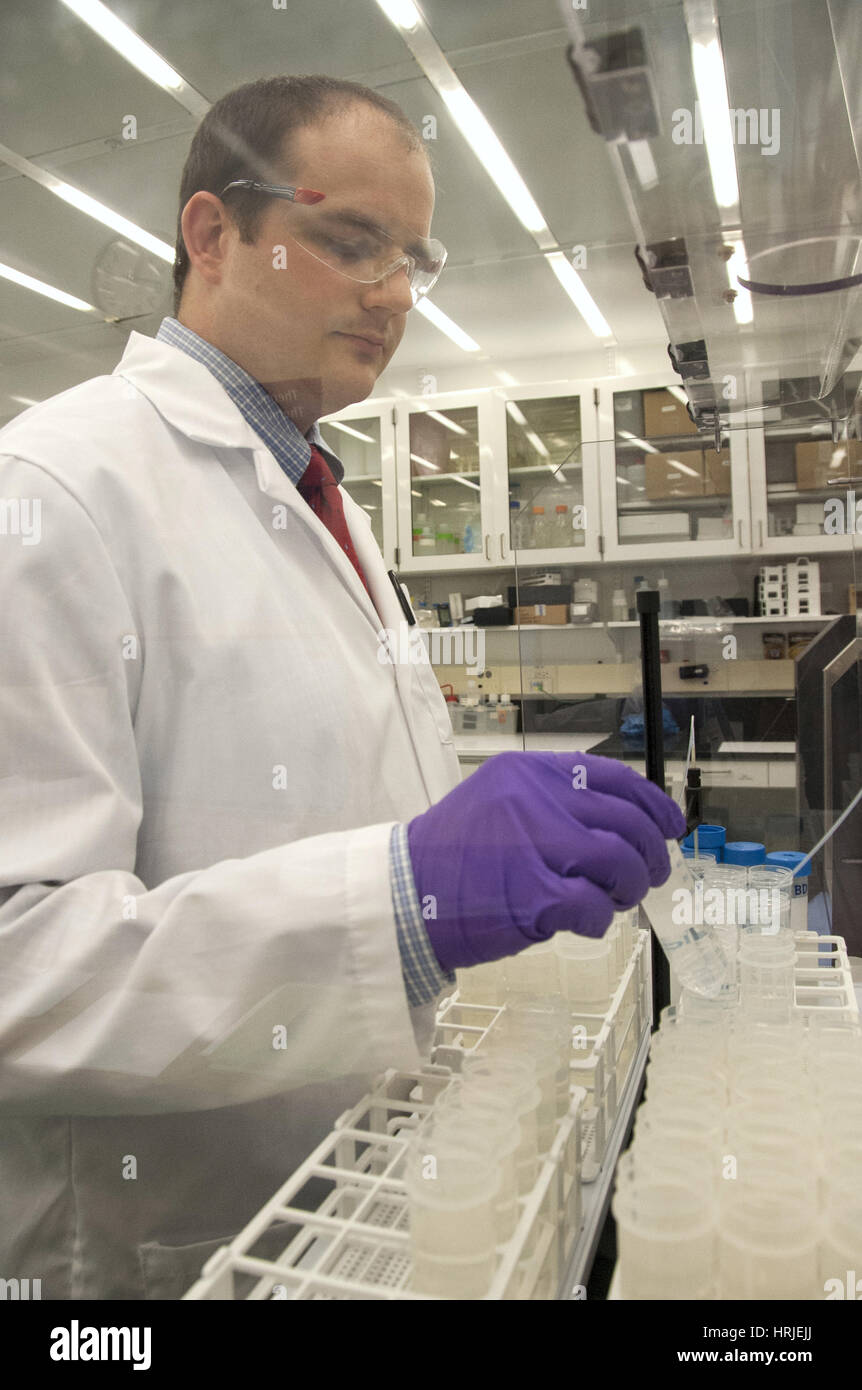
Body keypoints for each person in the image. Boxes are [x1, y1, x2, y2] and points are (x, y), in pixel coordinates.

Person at [0, 75, 684, 1300]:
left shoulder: (329, 503)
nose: (394, 294)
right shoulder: (52, 492)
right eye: (352, 240)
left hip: (351, 1207)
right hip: (151, 1264)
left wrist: (466, 847)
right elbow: (19, 971)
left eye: (413, 258)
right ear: (214, 234)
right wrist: (402, 900)